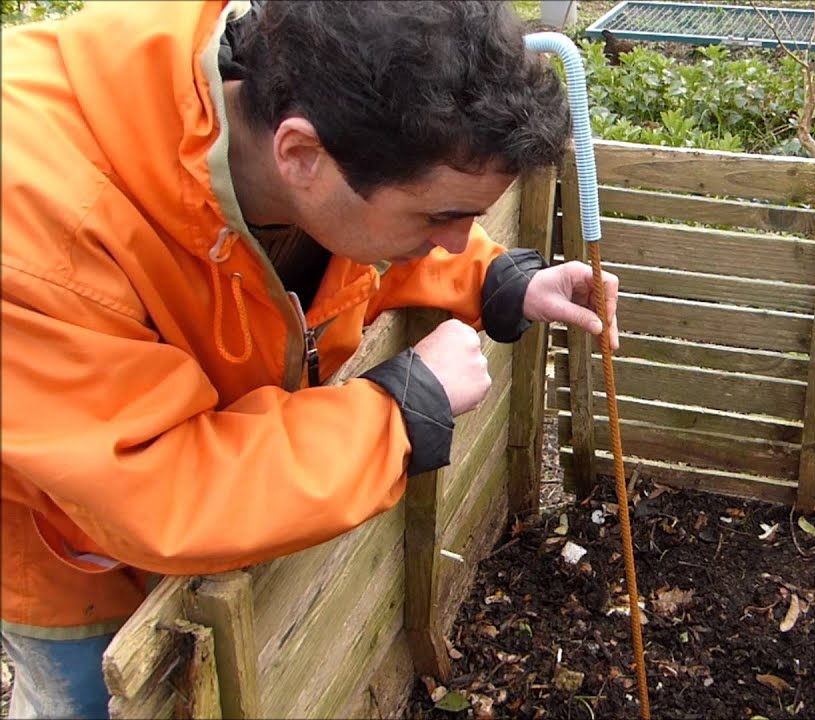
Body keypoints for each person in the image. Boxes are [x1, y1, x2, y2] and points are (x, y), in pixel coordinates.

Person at [0, 1, 619, 717]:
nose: (455, 240)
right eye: (441, 219)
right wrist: (398, 414)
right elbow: (154, 488)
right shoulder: (35, 231)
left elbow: (362, 236)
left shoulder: (305, 101)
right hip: (77, 551)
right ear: (299, 156)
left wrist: (497, 280)